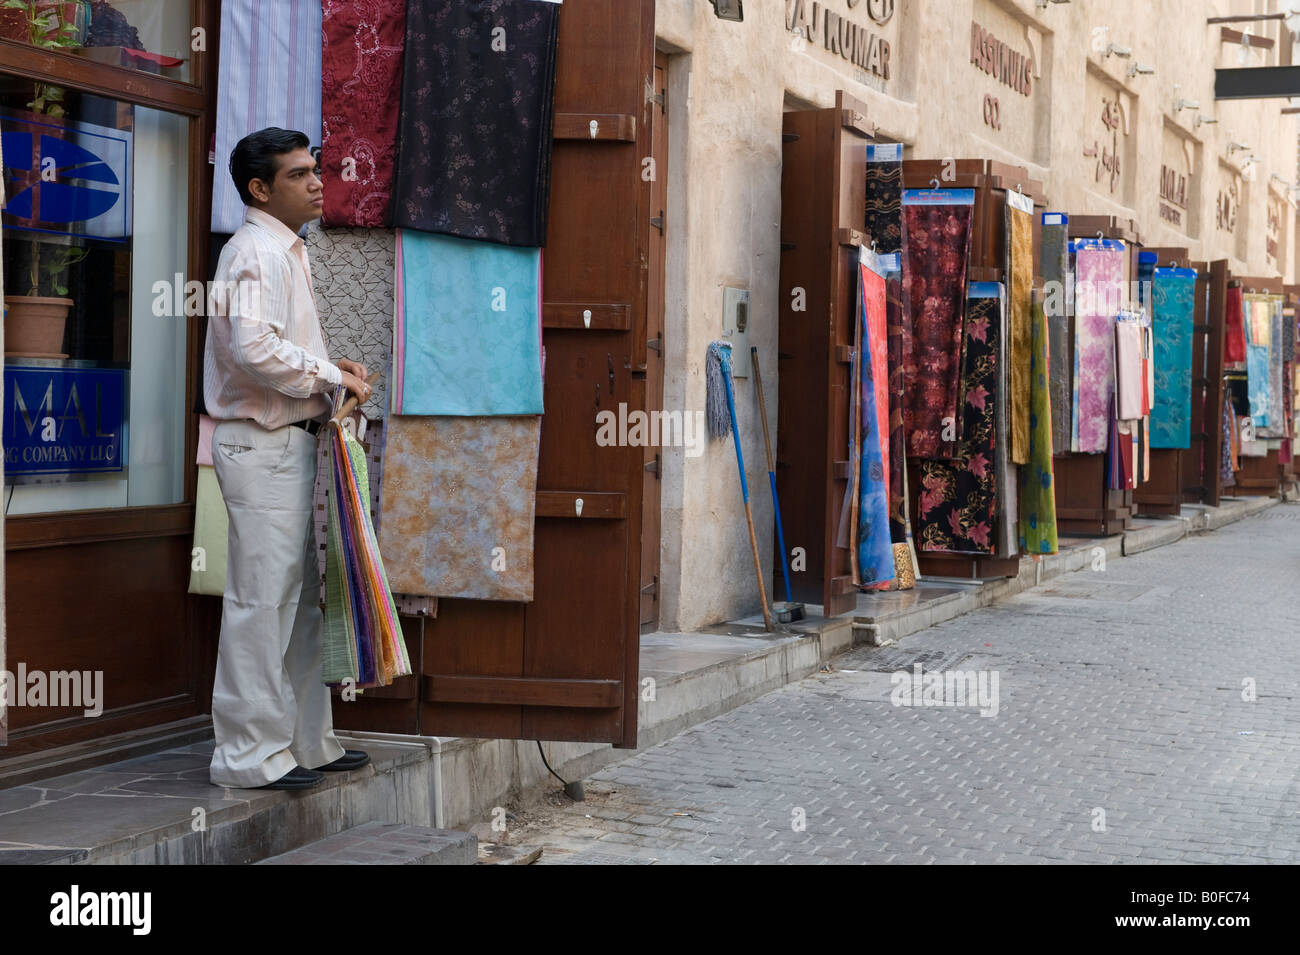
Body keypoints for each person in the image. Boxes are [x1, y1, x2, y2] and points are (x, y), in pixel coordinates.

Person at [202, 127, 371, 790]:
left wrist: (333, 370)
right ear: (260, 188)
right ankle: (247, 756)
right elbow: (253, 349)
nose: (316, 181)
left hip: (291, 447)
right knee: (260, 602)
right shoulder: (254, 251)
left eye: (315, 169)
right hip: (264, 446)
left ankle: (306, 742)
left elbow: (275, 347)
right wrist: (330, 375)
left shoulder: (281, 249)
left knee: (299, 602)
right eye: (300, 173)